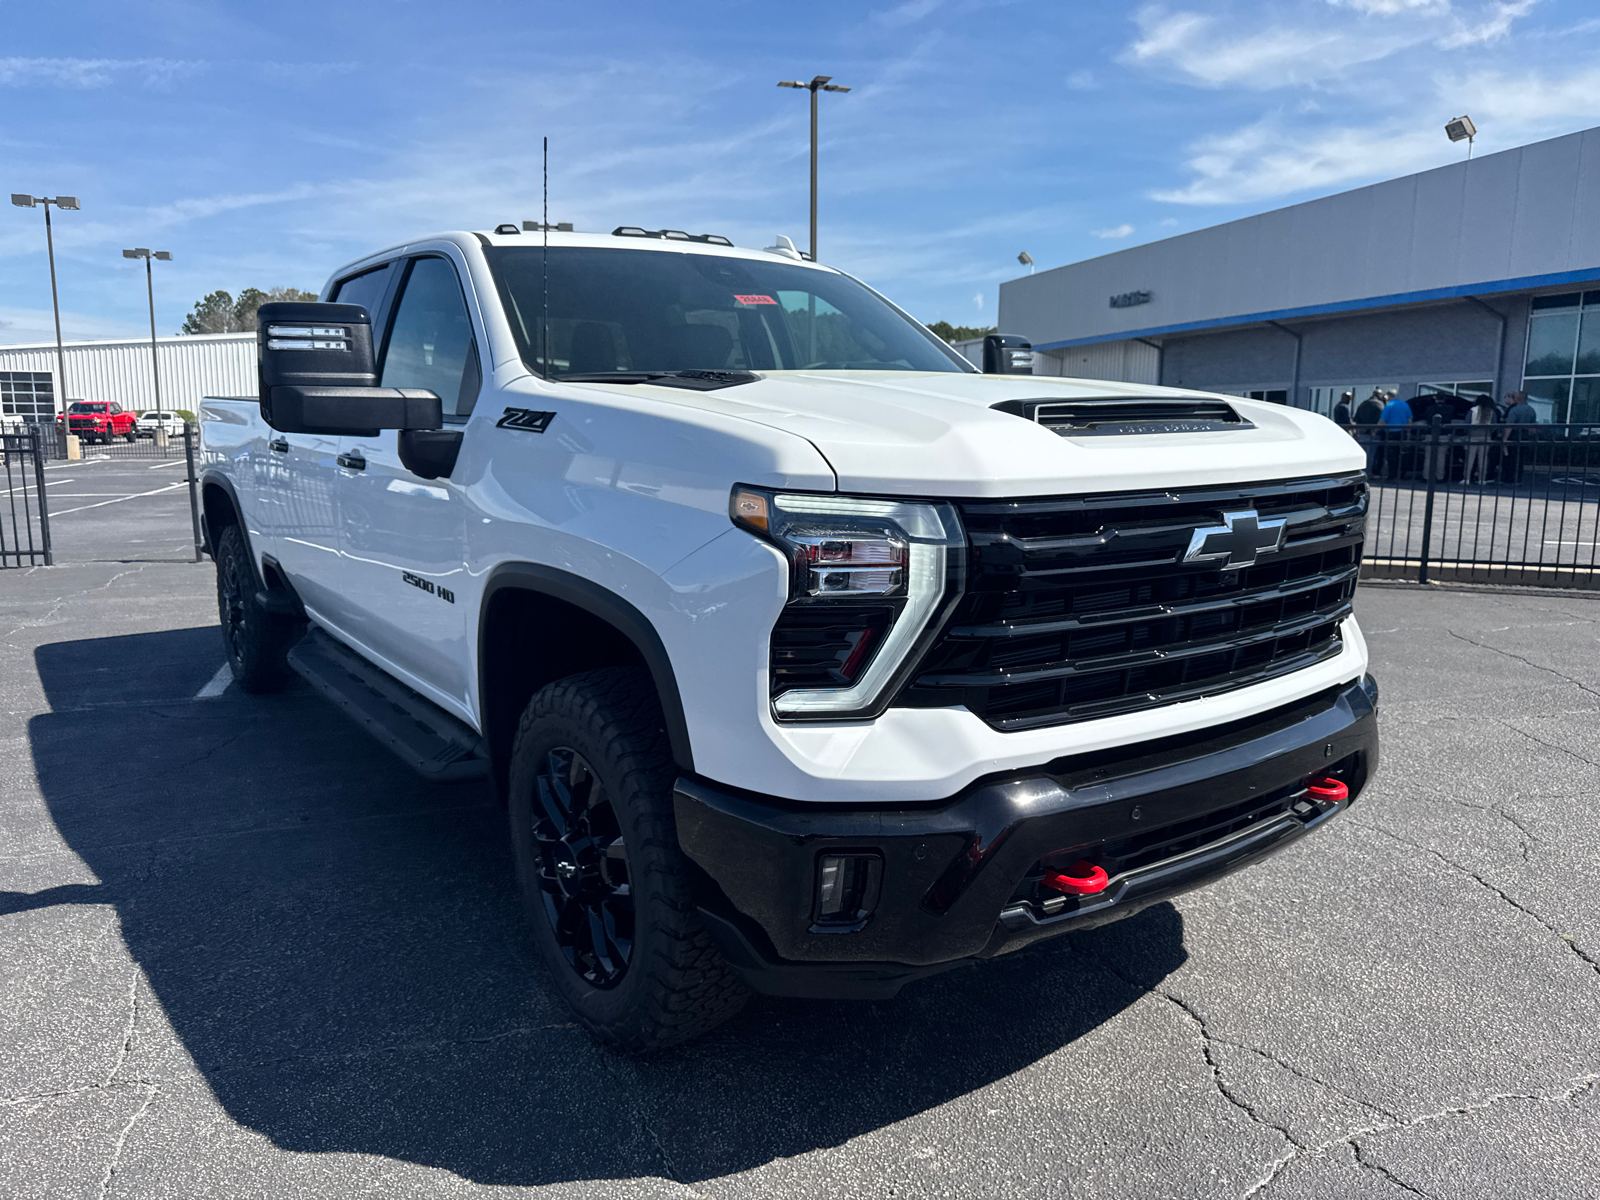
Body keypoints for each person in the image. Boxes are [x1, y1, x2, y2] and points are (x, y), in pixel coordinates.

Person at [1501, 391, 1537, 485]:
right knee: (1520, 458)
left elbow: (1509, 425)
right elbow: (1533, 425)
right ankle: (1519, 477)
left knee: (1511, 458)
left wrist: (1505, 438)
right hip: (1525, 436)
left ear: (1518, 399)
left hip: (1514, 435)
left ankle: (1509, 479)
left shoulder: (1515, 410)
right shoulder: (1531, 410)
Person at [1377, 391, 1413, 480]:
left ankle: (1392, 475)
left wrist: (1375, 430)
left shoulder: (1389, 406)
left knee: (1391, 455)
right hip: (1403, 433)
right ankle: (1402, 474)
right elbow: (1410, 421)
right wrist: (1408, 433)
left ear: (1388, 397)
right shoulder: (1405, 405)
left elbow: (1382, 421)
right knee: (1402, 454)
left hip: (1391, 433)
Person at [1461, 396, 1497, 484]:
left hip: (1472, 436)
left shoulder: (1473, 410)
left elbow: (1467, 423)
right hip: (1486, 436)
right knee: (1483, 459)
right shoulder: (1491, 412)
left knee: (1470, 458)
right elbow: (1494, 425)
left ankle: (1467, 479)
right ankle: (1482, 479)